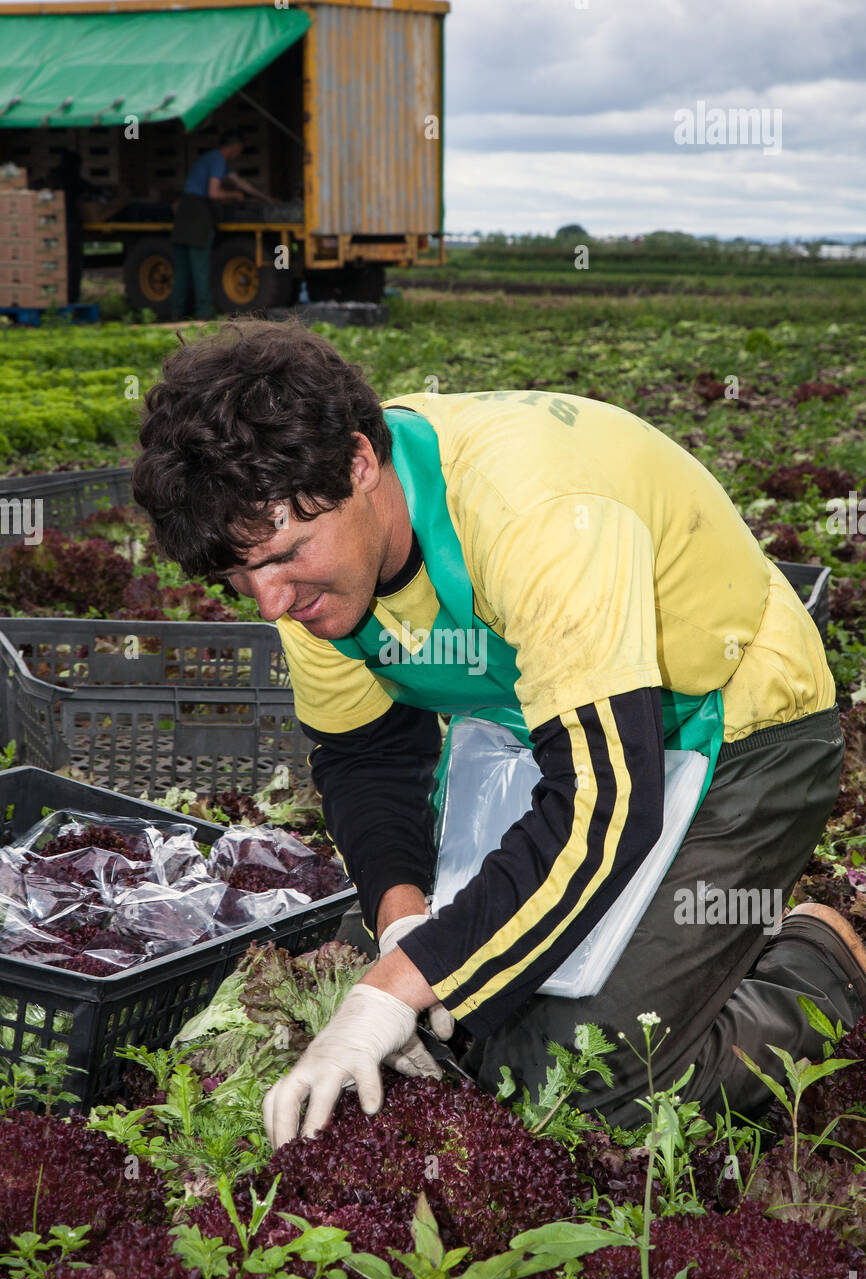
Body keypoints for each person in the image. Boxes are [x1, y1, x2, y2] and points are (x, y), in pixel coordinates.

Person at [132, 319, 866, 1149]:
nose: (270, 602)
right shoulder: (309, 554)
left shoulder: (533, 512)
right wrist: (403, 924)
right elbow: (368, 754)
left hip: (734, 725)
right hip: (542, 737)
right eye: (240, 576)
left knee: (589, 1083)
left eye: (287, 555)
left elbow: (604, 803)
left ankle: (814, 960)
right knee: (439, 1019)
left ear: (360, 464)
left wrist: (401, 988)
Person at [169, 130, 269, 321]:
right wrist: (234, 196)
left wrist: (266, 198)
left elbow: (242, 183)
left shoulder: (211, 160)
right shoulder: (217, 160)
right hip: (198, 216)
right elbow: (213, 193)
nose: (239, 153)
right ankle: (204, 313)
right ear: (234, 147)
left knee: (181, 268)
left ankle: (176, 313)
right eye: (240, 149)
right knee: (200, 267)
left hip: (183, 214)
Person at [46, 149, 103, 304]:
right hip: (70, 225)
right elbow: (91, 189)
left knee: (55, 262)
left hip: (53, 226)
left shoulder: (54, 177)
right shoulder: (71, 178)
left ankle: (55, 297)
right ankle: (71, 297)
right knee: (73, 263)